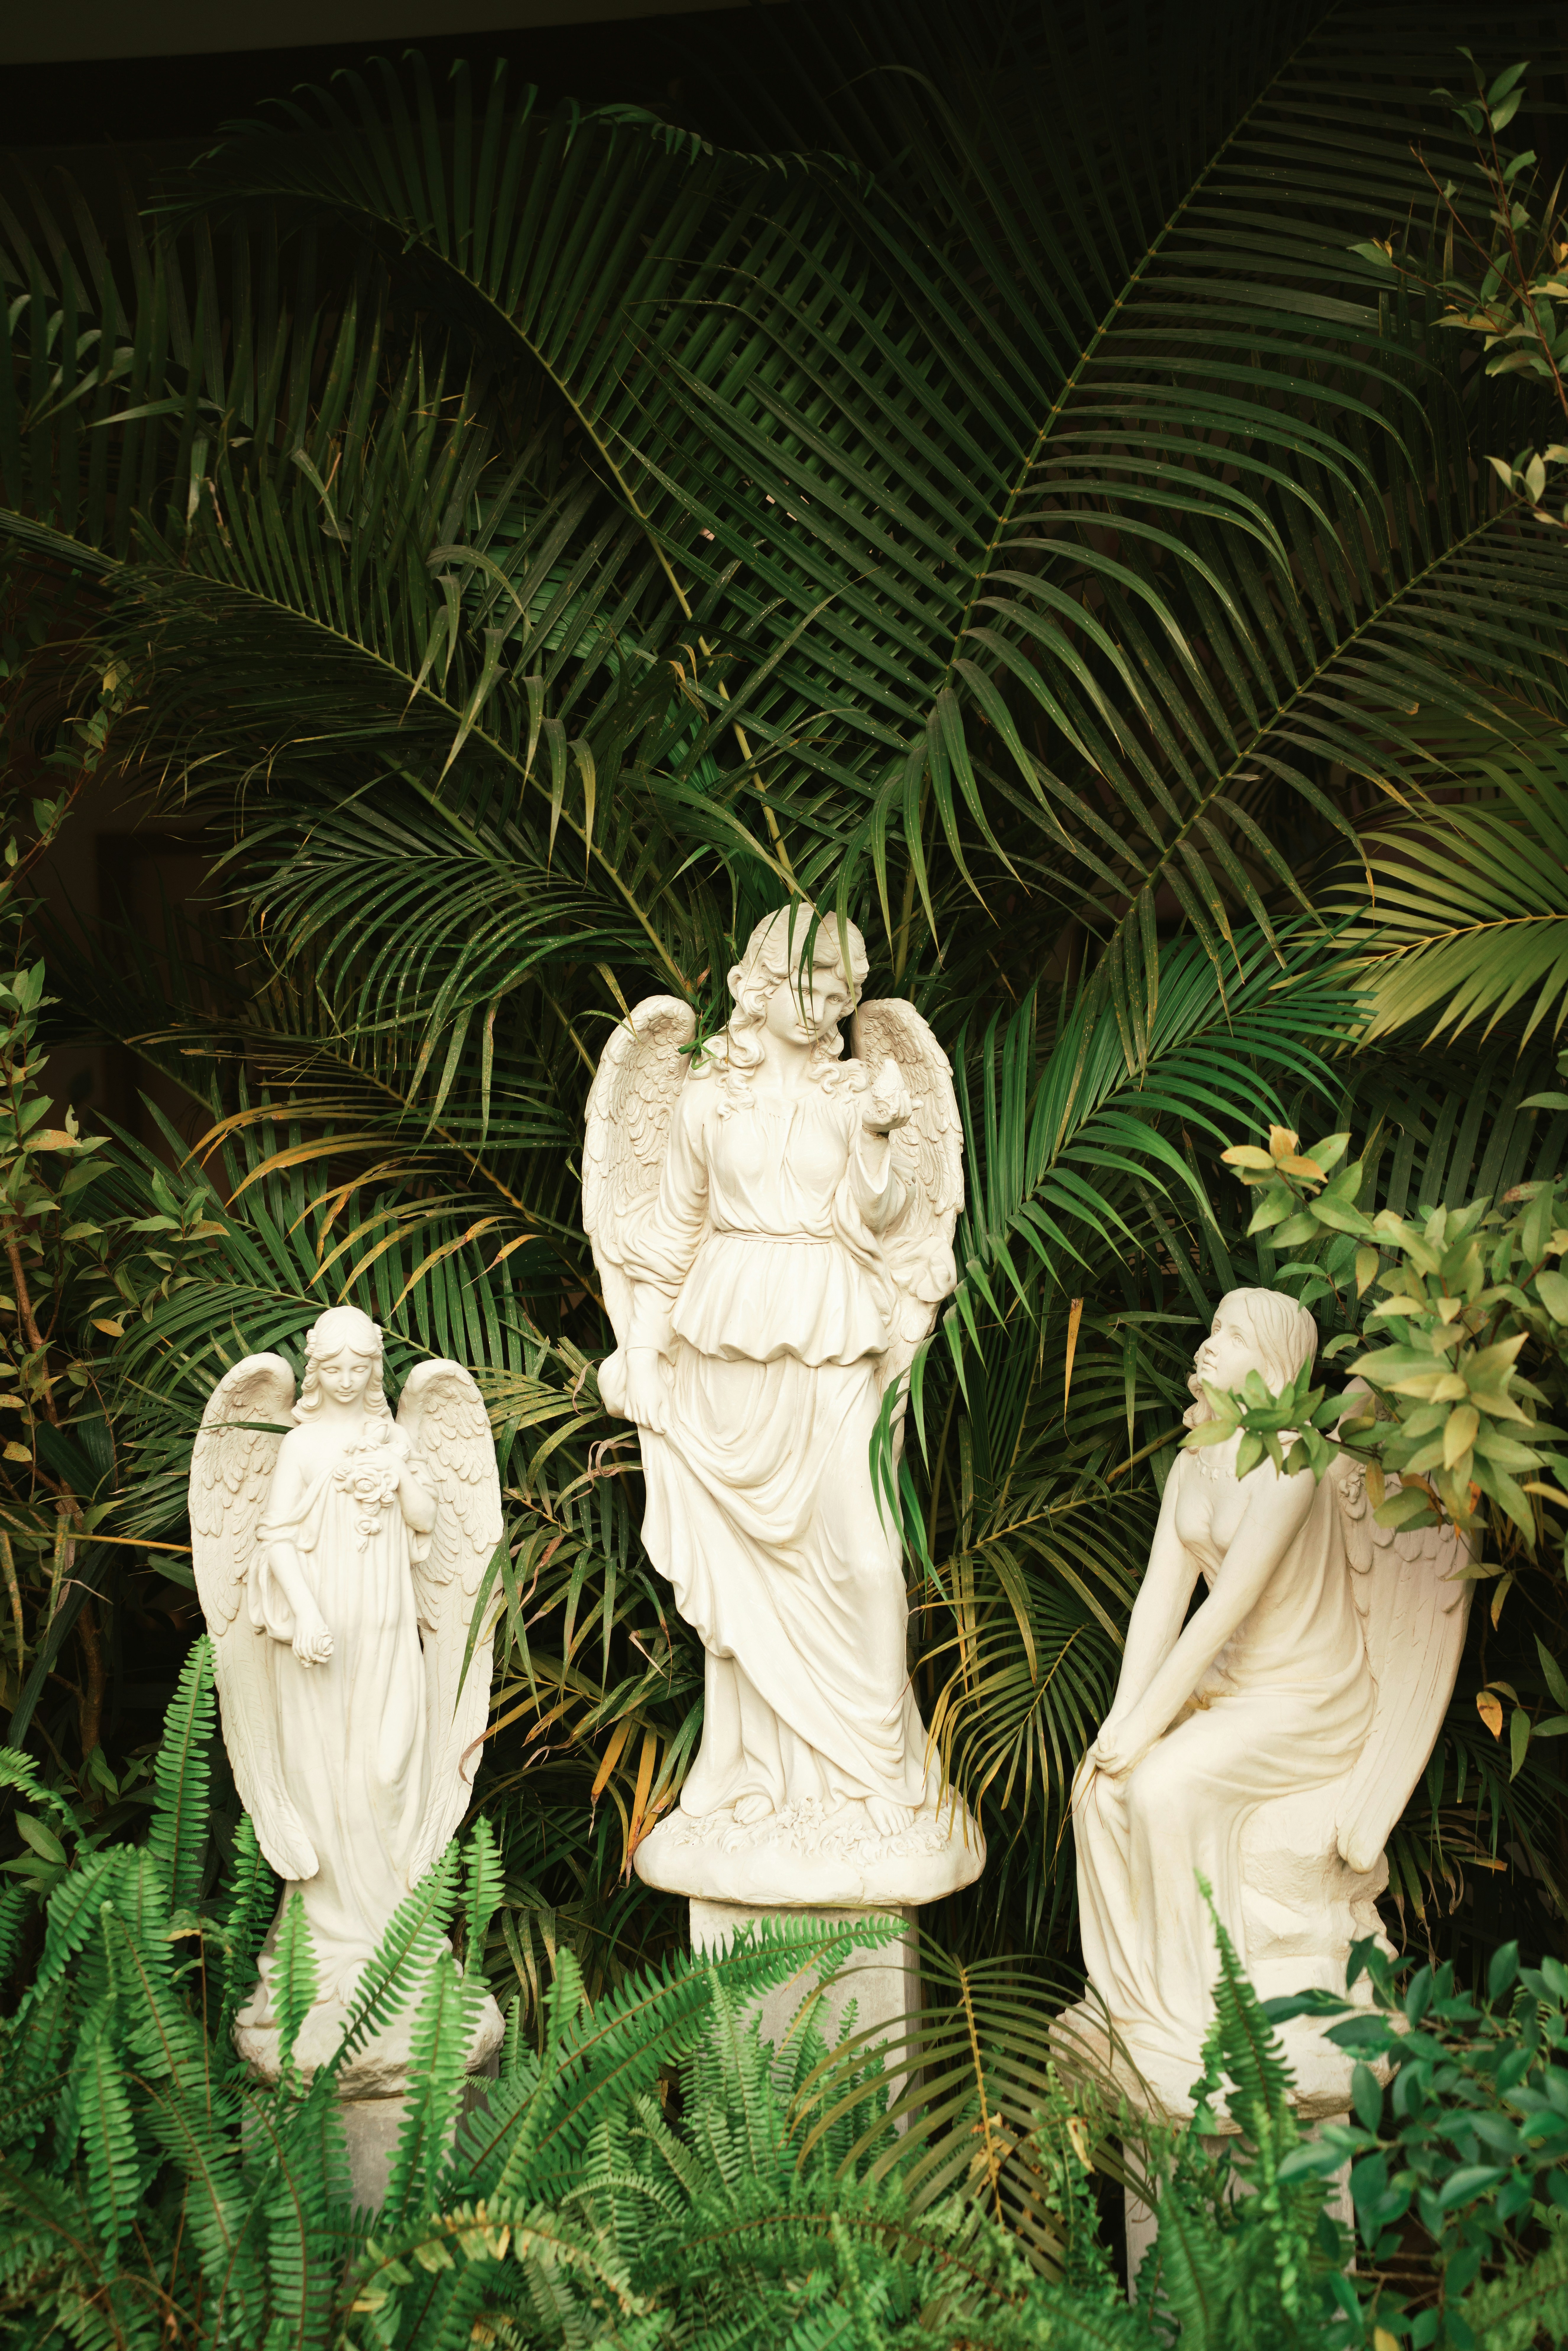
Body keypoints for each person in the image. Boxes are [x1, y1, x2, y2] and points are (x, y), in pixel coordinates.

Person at [616, 904, 944, 1838]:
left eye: (840, 993)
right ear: (758, 982)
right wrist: (641, 1350)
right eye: (809, 985)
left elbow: (879, 1216)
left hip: (832, 1331)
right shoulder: (703, 1099)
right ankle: (760, 1777)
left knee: (866, 1553)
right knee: (741, 1572)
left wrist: (881, 1133)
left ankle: (880, 1770)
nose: (823, 1007)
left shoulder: (854, 1095)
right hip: (721, 1345)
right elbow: (673, 1235)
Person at [1072, 1287, 1374, 2104]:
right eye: (1212, 1332)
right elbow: (1159, 1608)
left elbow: (1225, 1608)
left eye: (1231, 1336)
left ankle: (1196, 2019)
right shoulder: (1195, 1462)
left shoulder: (1295, 1464)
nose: (1208, 1347)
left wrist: (1148, 1736)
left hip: (1305, 1698)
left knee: (1165, 1787)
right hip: (1228, 1684)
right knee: (1100, 1792)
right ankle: (1136, 2005)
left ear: (1273, 1366)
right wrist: (1123, 1721)